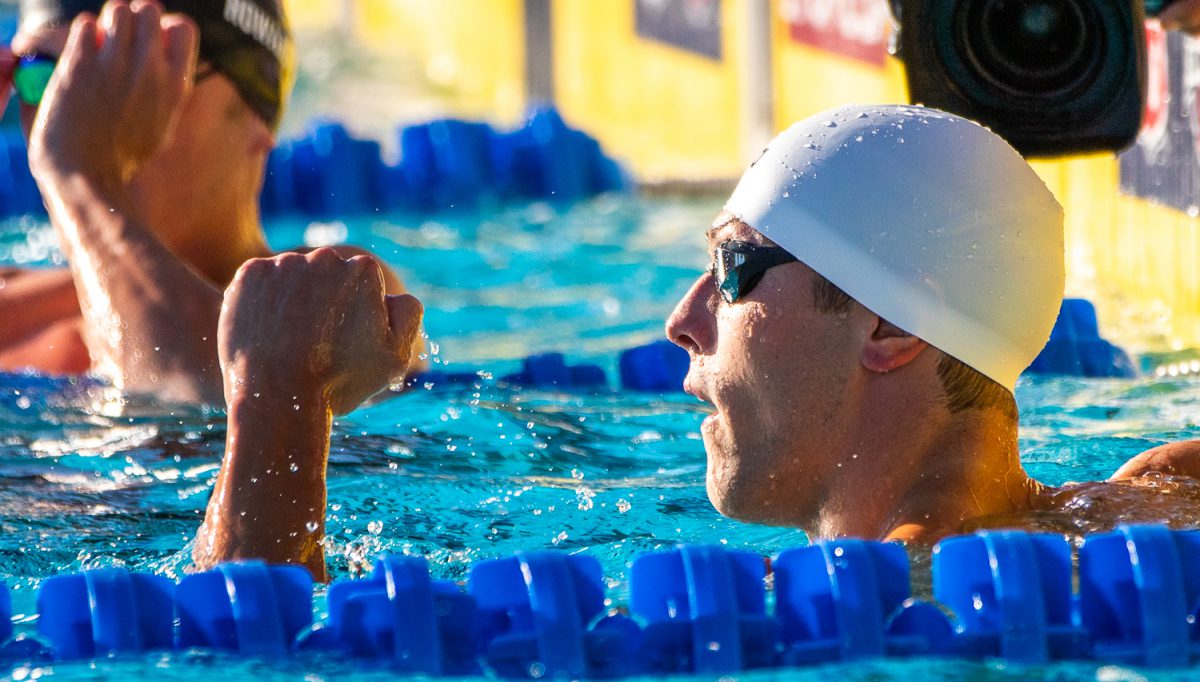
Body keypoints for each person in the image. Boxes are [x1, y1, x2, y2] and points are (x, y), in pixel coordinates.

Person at [192, 103, 1200, 581]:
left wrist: (273, 402)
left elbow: (239, 655)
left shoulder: (875, 611)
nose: (681, 321)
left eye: (732, 271)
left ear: (890, 324)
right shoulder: (1162, 496)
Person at [0, 0, 422, 404]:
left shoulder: (332, 294)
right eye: (43, 76)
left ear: (256, 109)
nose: (68, 117)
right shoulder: (12, 303)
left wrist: (79, 175)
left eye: (137, 71)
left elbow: (198, 419)